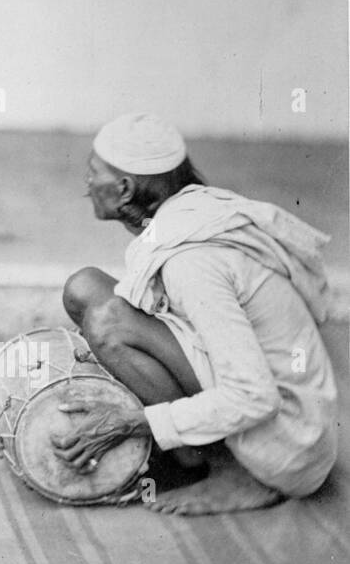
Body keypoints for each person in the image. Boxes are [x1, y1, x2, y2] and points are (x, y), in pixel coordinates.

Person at [55, 112, 337, 515]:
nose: (86, 181)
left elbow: (255, 397)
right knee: (85, 289)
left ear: (123, 188)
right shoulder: (189, 211)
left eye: (92, 172)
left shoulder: (192, 263)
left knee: (107, 323)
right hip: (275, 408)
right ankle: (193, 449)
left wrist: (136, 421)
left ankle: (228, 468)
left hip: (287, 442)